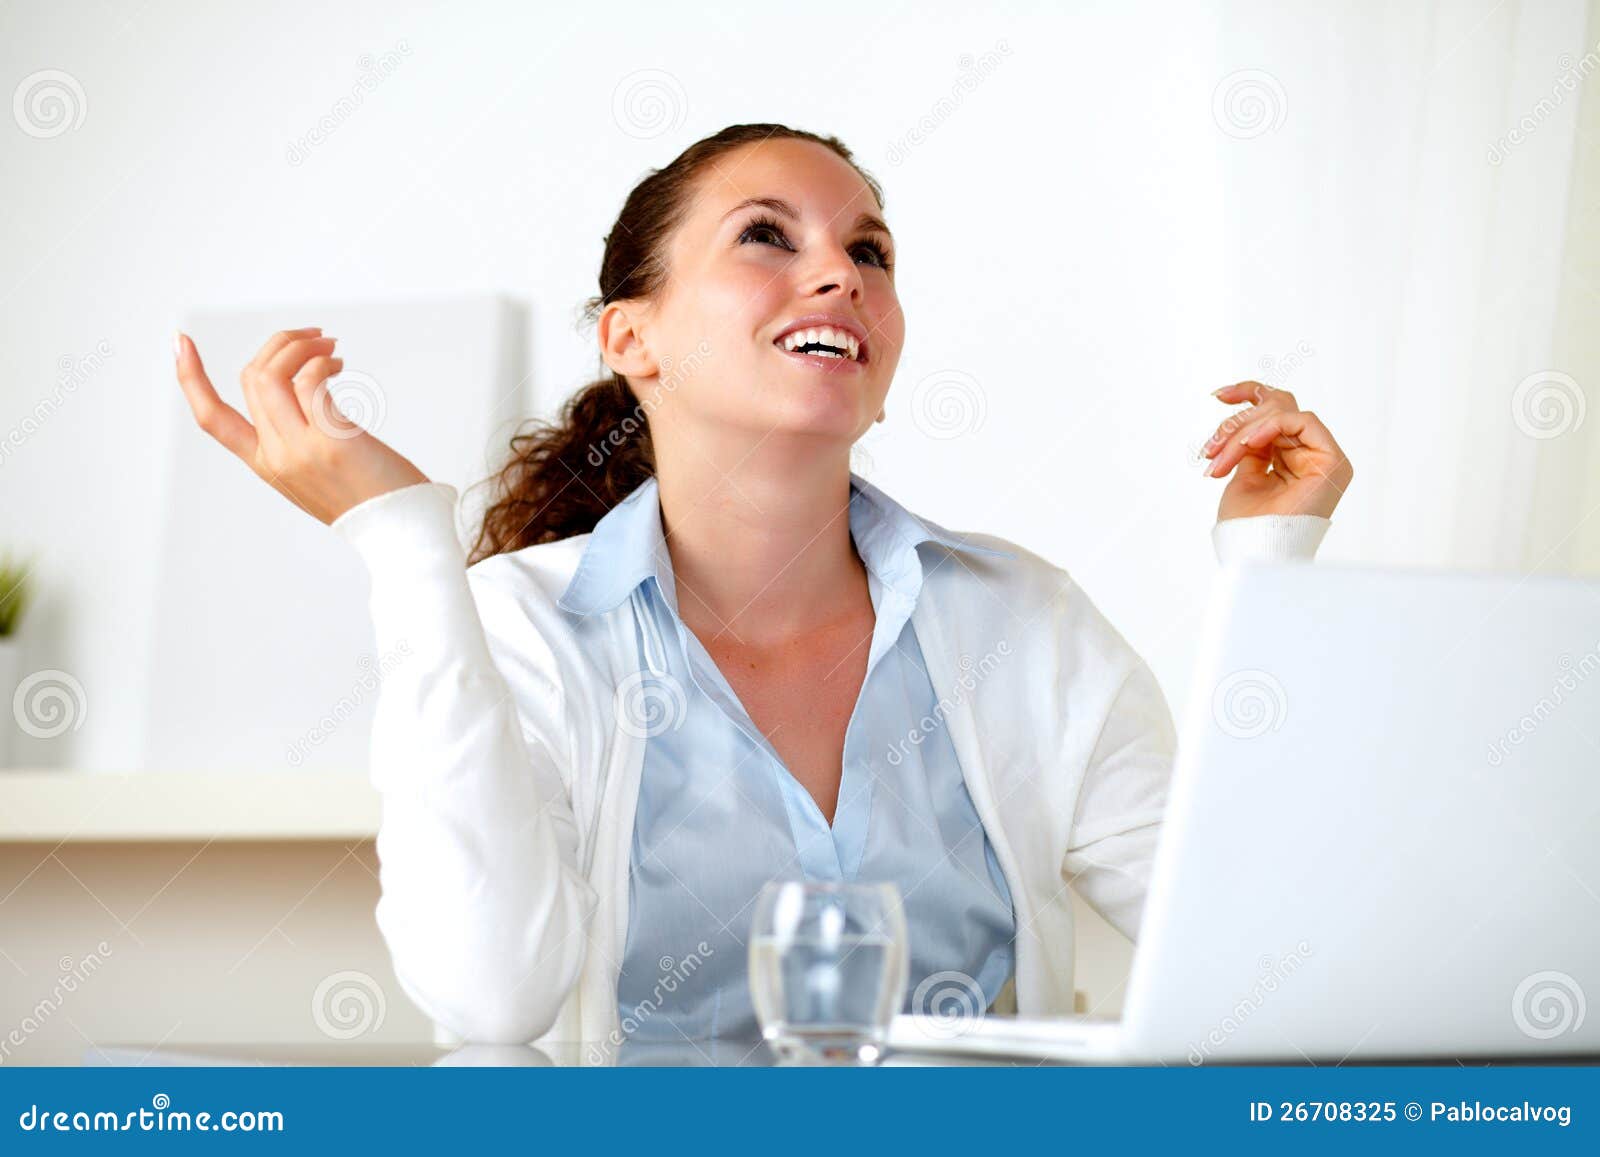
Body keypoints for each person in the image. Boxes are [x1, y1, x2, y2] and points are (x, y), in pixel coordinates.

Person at [172, 123, 1353, 1053]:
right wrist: (403, 546)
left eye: (869, 250)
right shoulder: (518, 624)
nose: (838, 272)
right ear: (632, 340)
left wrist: (1269, 579)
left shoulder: (1027, 624)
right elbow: (493, 997)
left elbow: (1270, 957)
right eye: (766, 236)